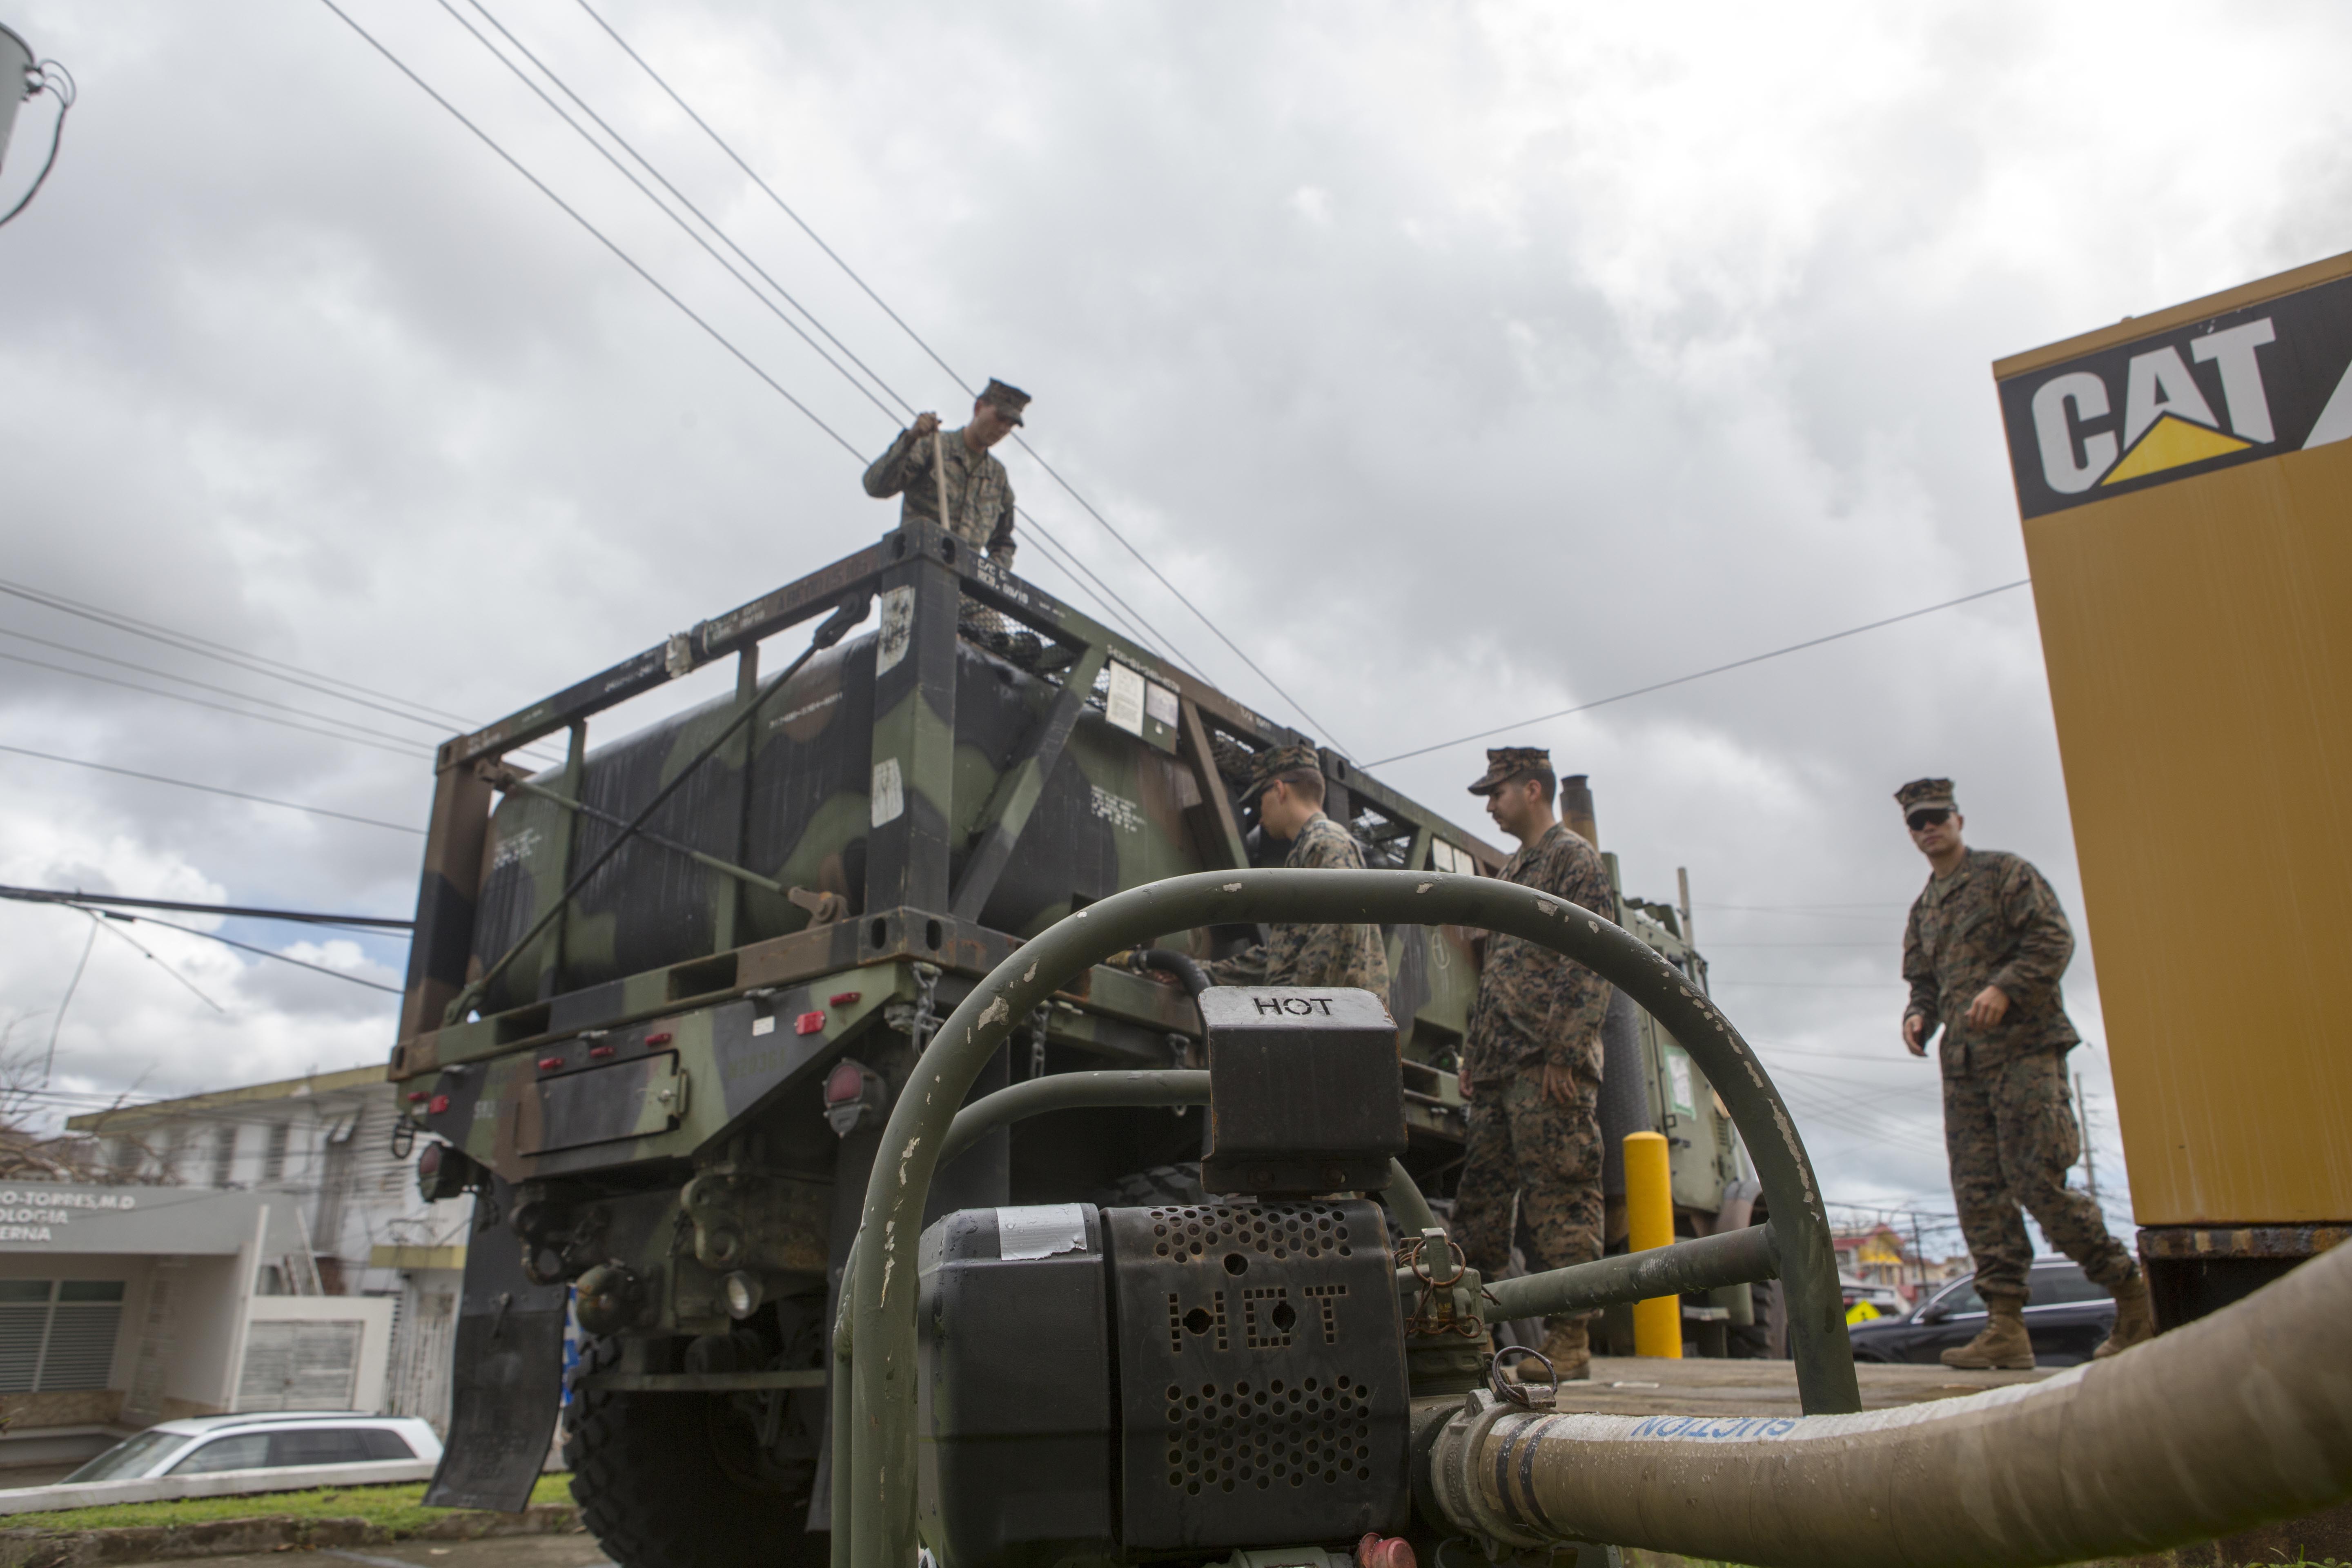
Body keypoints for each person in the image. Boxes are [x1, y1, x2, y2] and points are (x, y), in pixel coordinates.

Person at [1896, 777, 2154, 1367]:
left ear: (1958, 820)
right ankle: (2005, 1328)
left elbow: (2052, 937)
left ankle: (2133, 1295)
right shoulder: (1925, 909)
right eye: (1917, 821)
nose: (1928, 827)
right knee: (1978, 1194)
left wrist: (2005, 988)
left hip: (2025, 1052)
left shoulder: (2006, 875)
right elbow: (1923, 982)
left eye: (1937, 816)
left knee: (2037, 1180)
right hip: (1964, 1067)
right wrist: (1918, 1016)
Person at [1448, 747, 1615, 1381]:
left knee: (1561, 1199)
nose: (1491, 806)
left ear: (1534, 790)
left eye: (1498, 793)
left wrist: (1565, 1052)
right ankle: (1471, 1338)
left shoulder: (1573, 860)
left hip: (1547, 1067)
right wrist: (1475, 1054)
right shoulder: (1514, 870)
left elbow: (1591, 957)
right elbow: (1498, 972)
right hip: (1499, 1066)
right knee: (1480, 1209)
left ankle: (1570, 1339)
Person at [1201, 744, 1390, 1000]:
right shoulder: (1311, 848)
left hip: (1333, 1019)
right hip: (1331, 1015)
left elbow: (1336, 936)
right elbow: (1283, 957)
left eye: (1260, 801)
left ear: (1280, 790)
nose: (1260, 818)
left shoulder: (1325, 842)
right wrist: (1205, 973)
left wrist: (1298, 1010)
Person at [862, 379, 1030, 570]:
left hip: (963, 585)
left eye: (1010, 425)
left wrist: (990, 575)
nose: (1003, 429)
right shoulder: (933, 446)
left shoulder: (997, 476)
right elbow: (875, 486)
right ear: (978, 408)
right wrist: (910, 439)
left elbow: (1003, 541)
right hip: (916, 571)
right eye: (1000, 418)